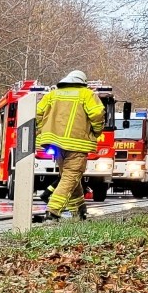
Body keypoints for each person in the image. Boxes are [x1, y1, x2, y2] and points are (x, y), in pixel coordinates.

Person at [36, 70, 105, 220]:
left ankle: (79, 211)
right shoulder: (87, 94)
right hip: (77, 143)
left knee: (69, 176)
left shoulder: (52, 95)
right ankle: (53, 210)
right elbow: (97, 114)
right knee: (70, 176)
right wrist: (96, 131)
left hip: (53, 143)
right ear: (83, 82)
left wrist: (43, 130)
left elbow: (38, 113)